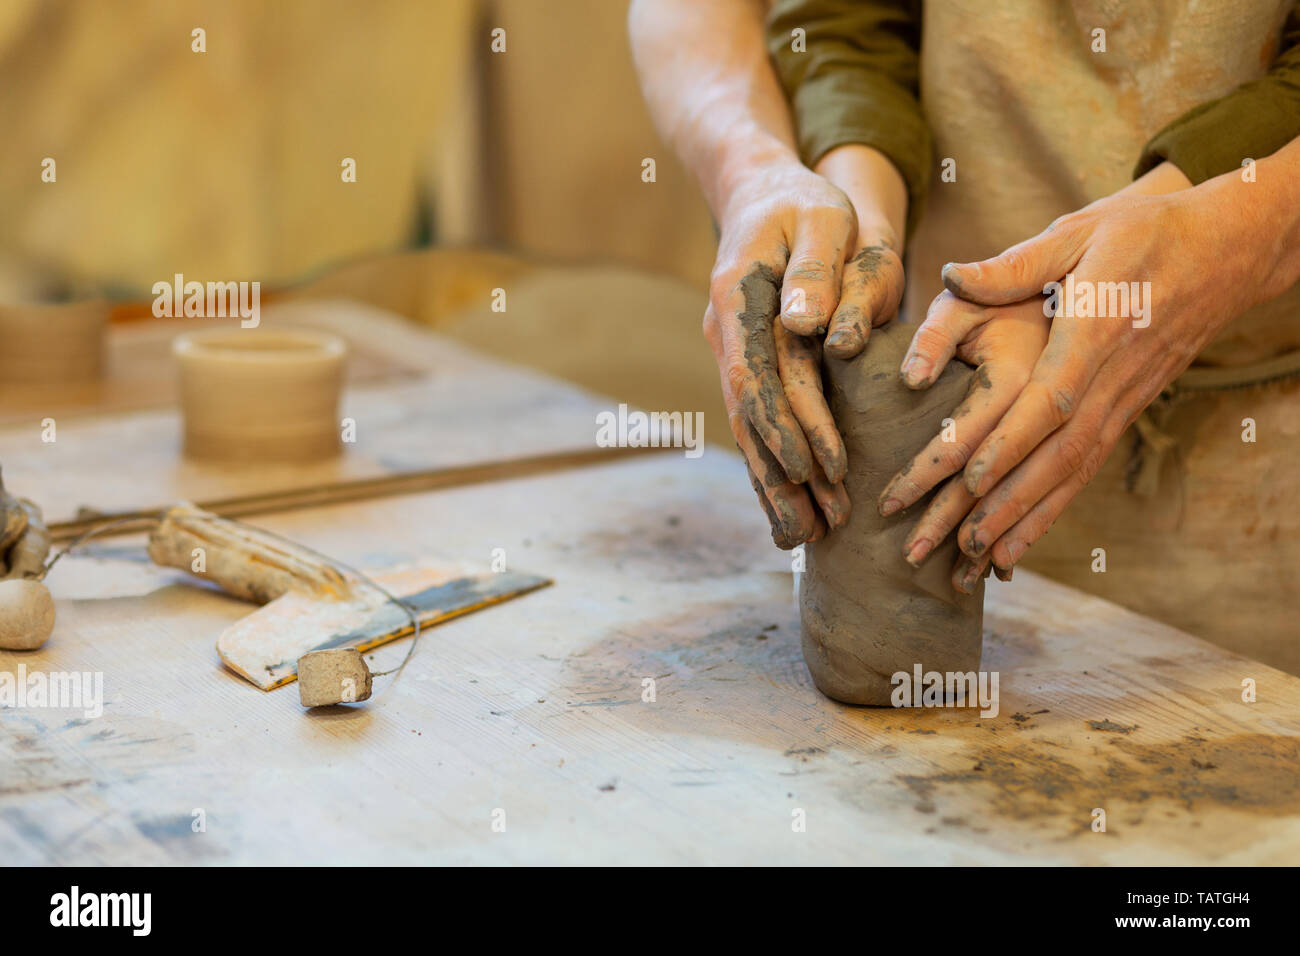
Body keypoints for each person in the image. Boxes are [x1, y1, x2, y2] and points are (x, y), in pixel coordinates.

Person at [629, 0, 1300, 672]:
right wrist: (854, 219)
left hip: (1261, 492)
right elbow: (848, 22)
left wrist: (1238, 223)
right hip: (965, 353)